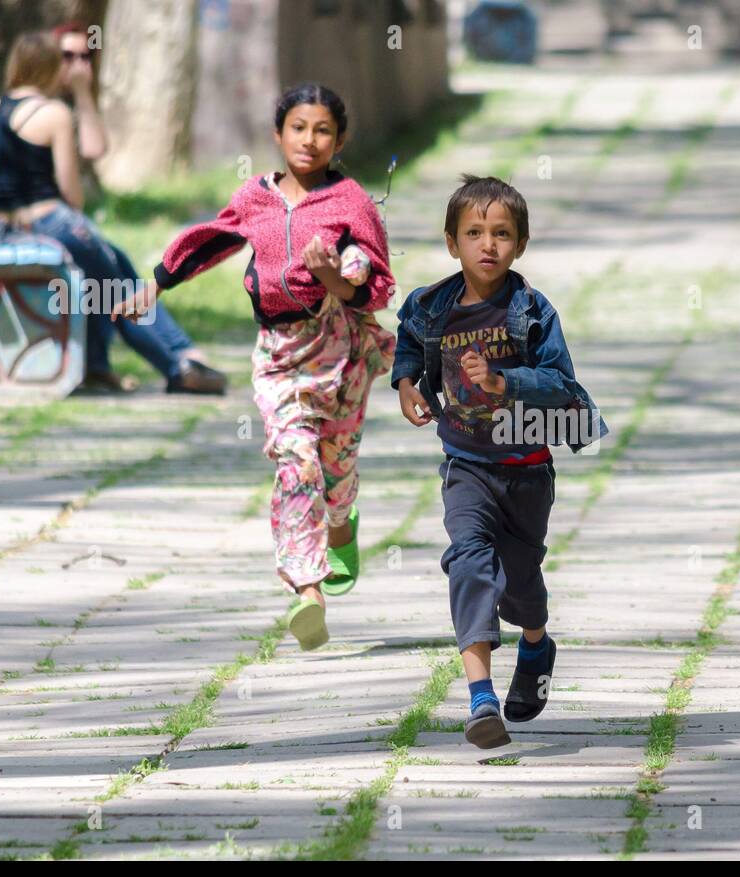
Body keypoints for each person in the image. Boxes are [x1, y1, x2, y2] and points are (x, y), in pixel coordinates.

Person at [114, 83, 396, 651]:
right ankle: (307, 592)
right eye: (298, 128)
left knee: (335, 475)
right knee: (296, 464)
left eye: (322, 131)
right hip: (279, 356)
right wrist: (156, 284)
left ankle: (342, 525)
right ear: (278, 133)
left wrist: (335, 276)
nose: (309, 141)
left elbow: (375, 285)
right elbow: (212, 240)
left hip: (339, 350)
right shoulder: (256, 197)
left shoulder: (351, 202)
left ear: (338, 140)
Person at [393, 175, 607, 749]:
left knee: (520, 587)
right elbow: (409, 340)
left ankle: (535, 642)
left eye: (502, 234)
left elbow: (563, 385)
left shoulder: (532, 311)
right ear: (451, 241)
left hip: (528, 469)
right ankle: (480, 698)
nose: (487, 245)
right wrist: (406, 382)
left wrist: (507, 380)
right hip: (466, 464)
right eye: (474, 233)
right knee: (469, 563)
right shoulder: (432, 305)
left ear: (521, 244)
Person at [0, 30, 225, 395]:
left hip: (1, 228)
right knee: (116, 288)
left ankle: (105, 366)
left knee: (113, 264)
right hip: (52, 222)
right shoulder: (54, 113)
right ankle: (178, 362)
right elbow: (72, 196)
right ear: (49, 66)